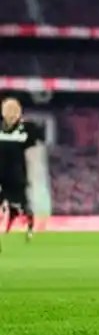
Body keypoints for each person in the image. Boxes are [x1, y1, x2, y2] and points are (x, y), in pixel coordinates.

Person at [0, 97, 44, 246]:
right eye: (8, 110)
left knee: (23, 205)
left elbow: (37, 137)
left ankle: (30, 229)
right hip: (2, 175)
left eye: (14, 111)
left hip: (17, 175)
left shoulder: (25, 129)